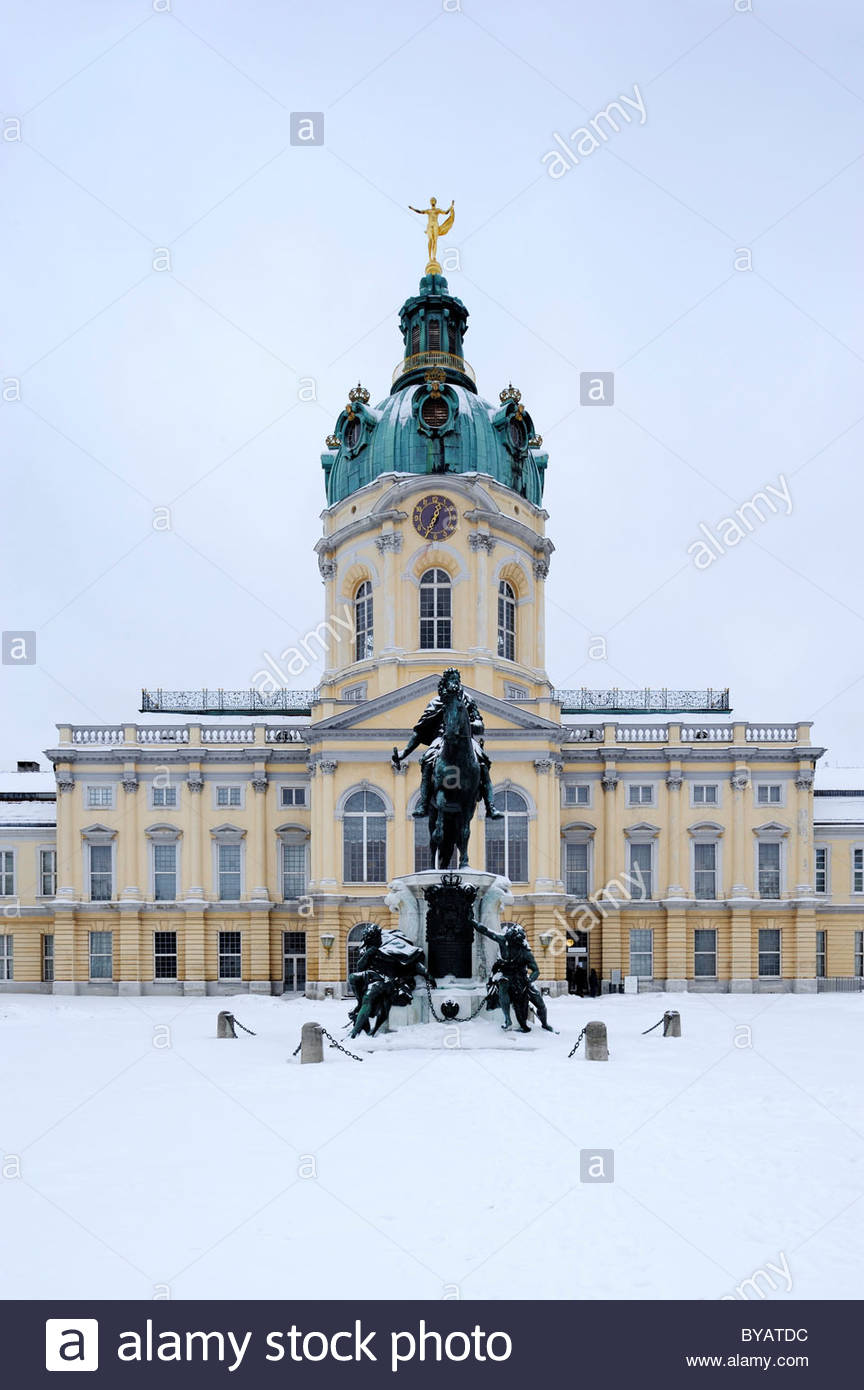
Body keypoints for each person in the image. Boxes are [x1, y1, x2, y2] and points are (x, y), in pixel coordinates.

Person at [392, 668, 503, 821]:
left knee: (483, 761)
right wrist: (404, 753)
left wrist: (467, 724)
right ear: (445, 683)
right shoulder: (436, 702)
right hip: (442, 738)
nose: (455, 683)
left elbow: (480, 725)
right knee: (427, 760)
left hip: (466, 738)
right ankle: (423, 803)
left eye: (457, 680)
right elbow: (420, 730)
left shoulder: (467, 700)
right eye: (452, 680)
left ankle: (490, 806)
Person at [472, 920, 556, 1033]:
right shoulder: (503, 941)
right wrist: (473, 922)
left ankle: (545, 1024)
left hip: (522, 977)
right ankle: (507, 1020)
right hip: (506, 974)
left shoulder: (526, 953)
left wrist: (529, 980)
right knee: (503, 985)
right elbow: (486, 931)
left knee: (539, 1002)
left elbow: (536, 970)